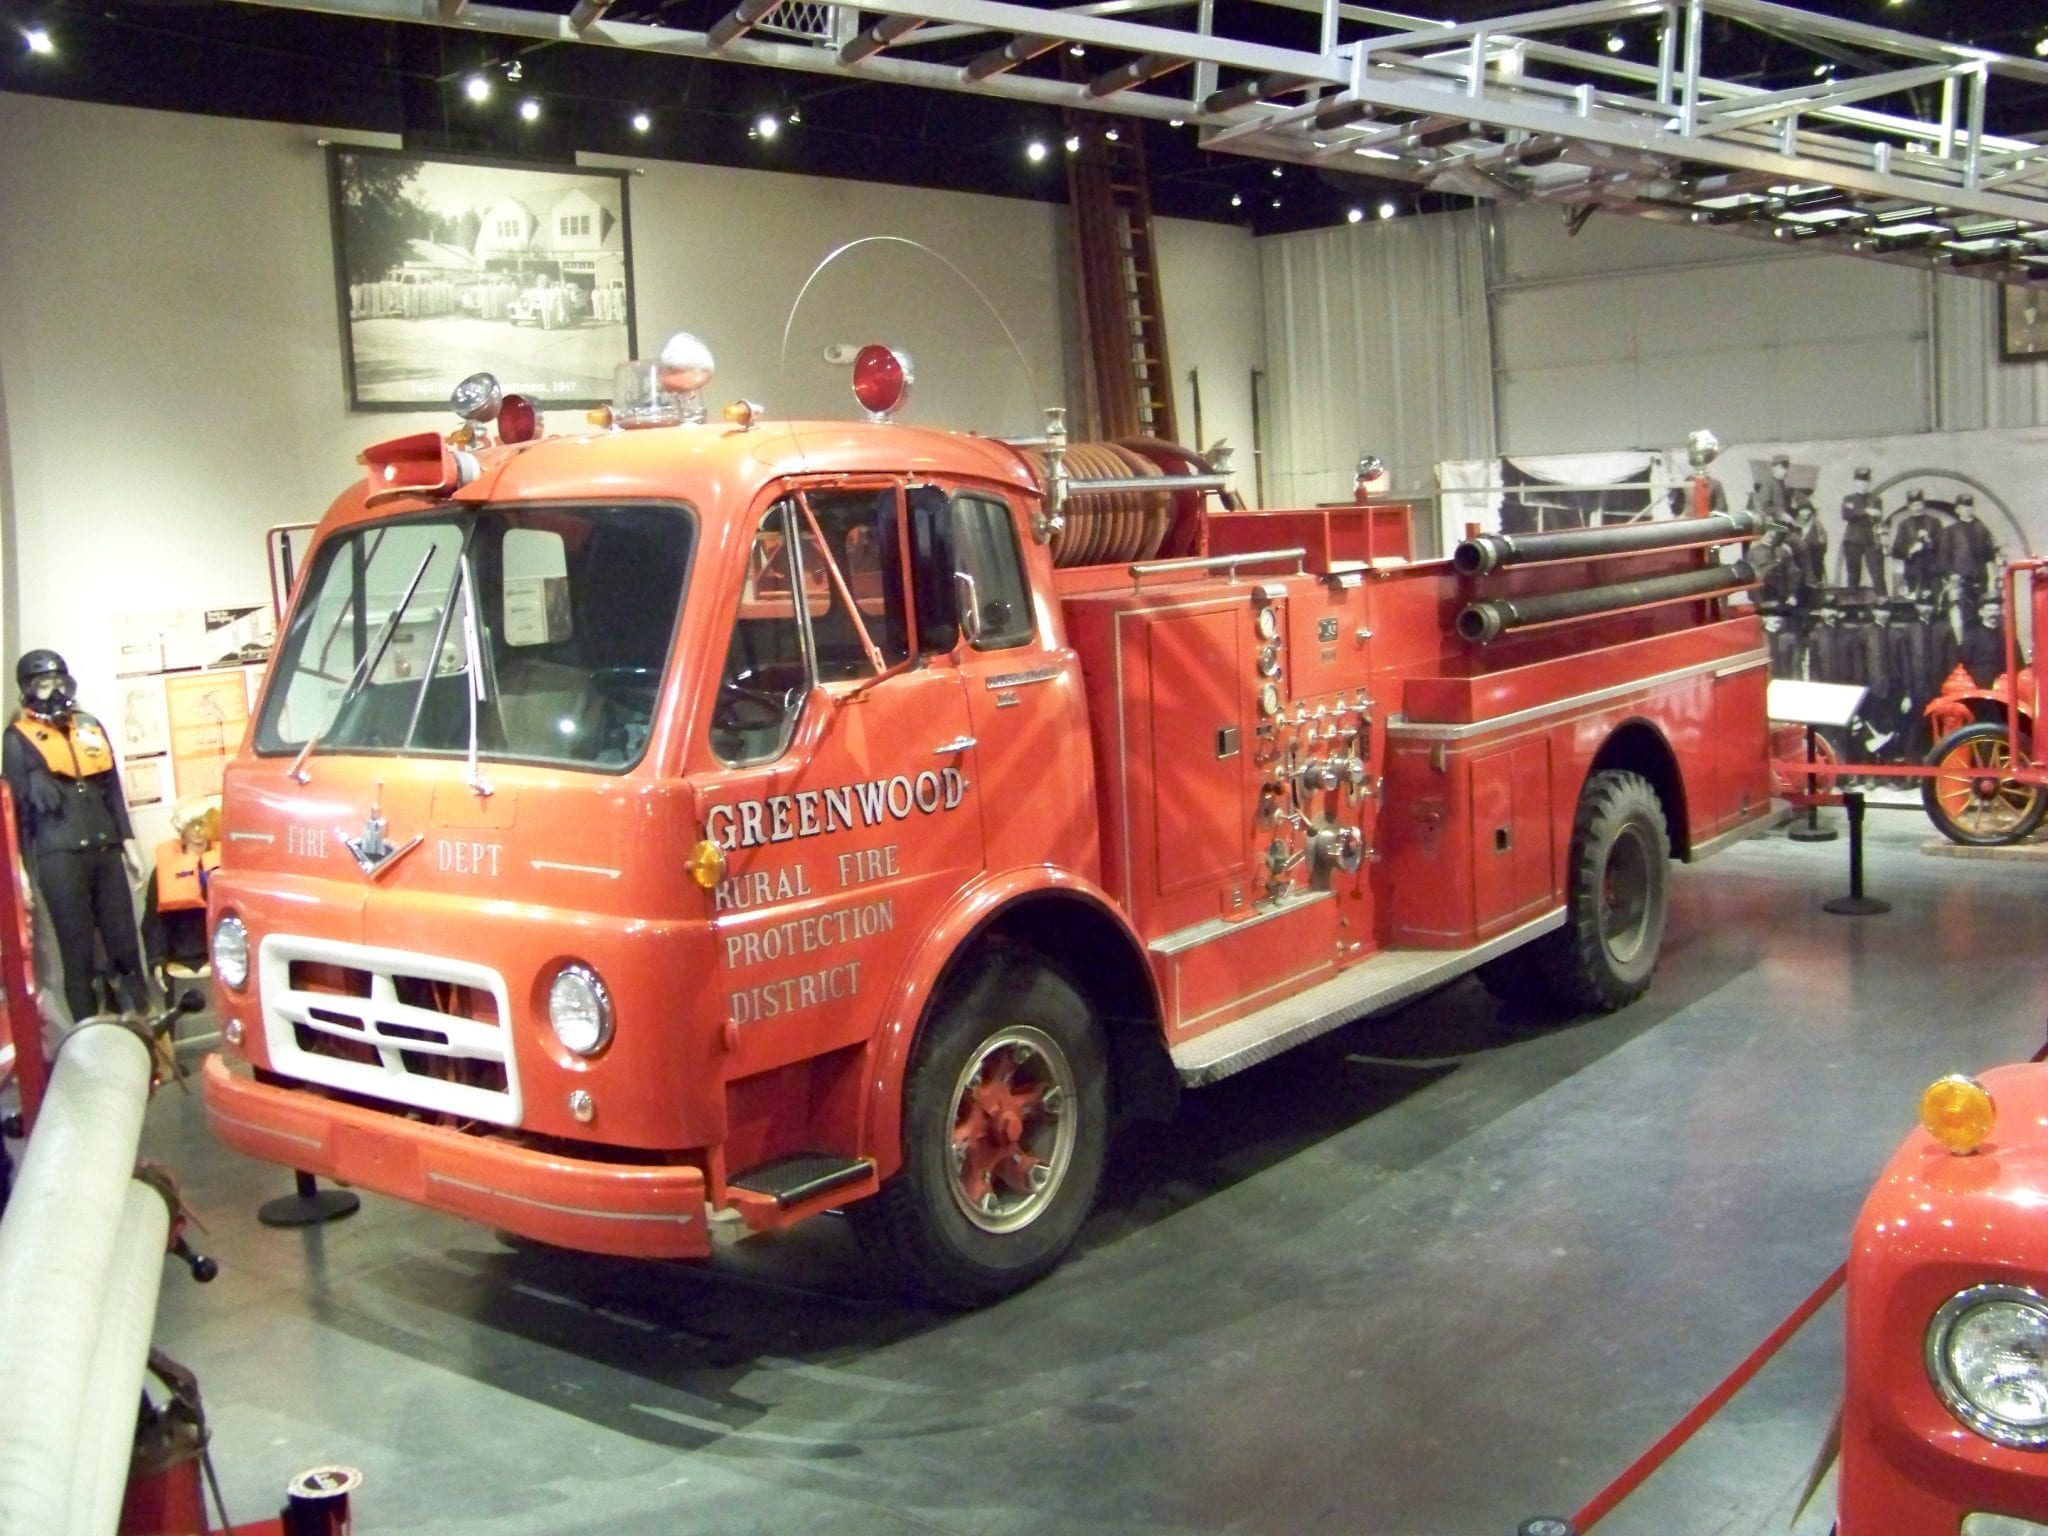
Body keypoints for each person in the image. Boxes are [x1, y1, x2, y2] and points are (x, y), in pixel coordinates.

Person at [1, 650, 148, 1022]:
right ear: (27, 689)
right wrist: (18, 870)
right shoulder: (18, 739)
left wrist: (129, 843)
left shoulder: (89, 726)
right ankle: (87, 1031)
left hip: (105, 848)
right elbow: (14, 811)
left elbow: (111, 789)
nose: (51, 690)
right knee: (77, 951)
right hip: (58, 856)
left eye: (56, 681)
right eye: (41, 683)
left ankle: (141, 1028)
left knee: (124, 945)